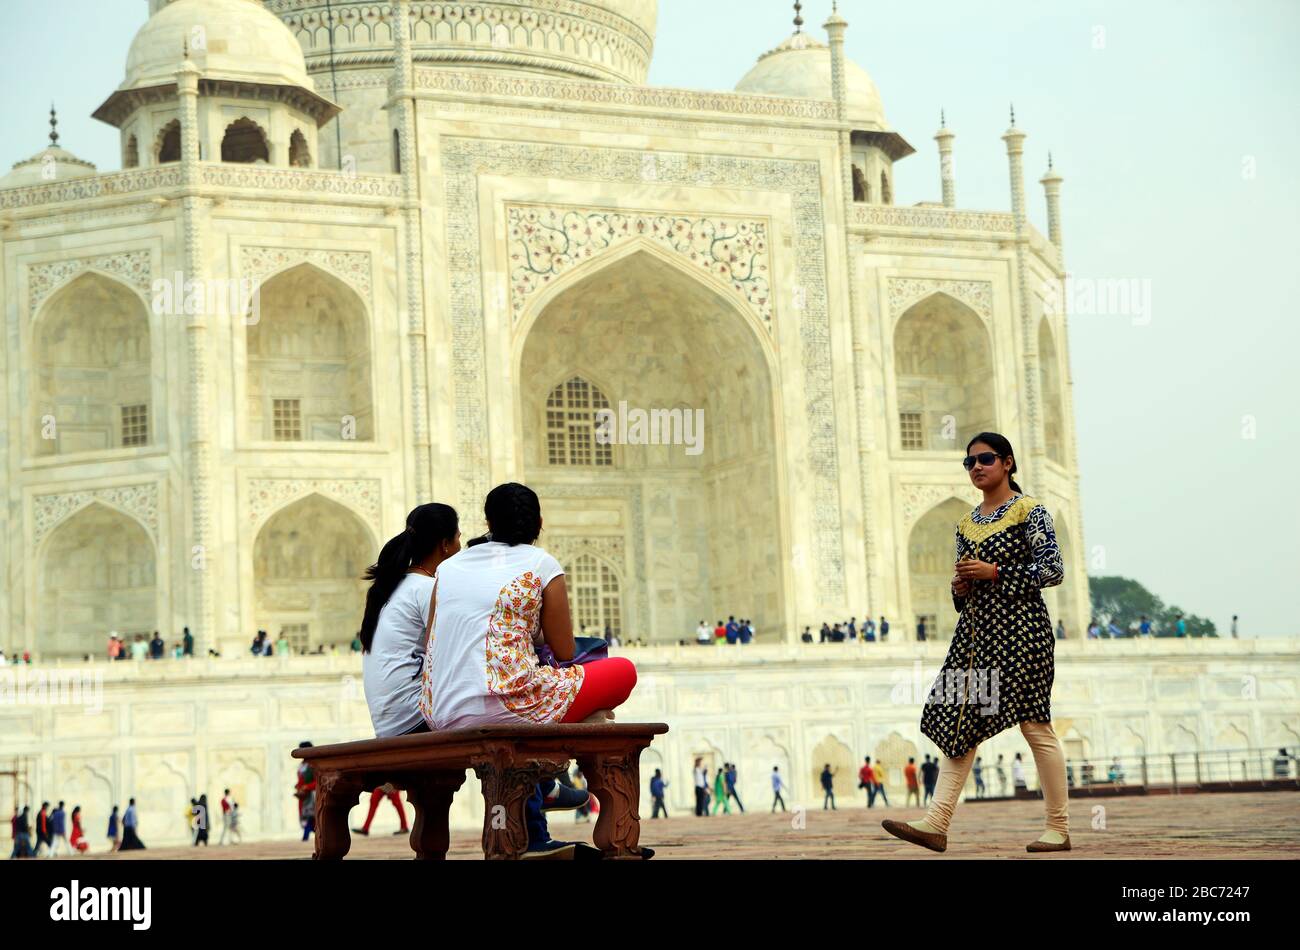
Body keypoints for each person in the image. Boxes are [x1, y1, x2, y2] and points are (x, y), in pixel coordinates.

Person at [419, 484, 636, 858]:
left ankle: (552, 779)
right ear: (538, 522)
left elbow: (435, 636)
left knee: (566, 689)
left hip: (441, 710)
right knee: (620, 671)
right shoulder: (541, 563)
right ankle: (580, 732)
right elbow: (566, 649)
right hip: (509, 704)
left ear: (488, 522)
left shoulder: (448, 567)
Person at [882, 432, 1070, 855]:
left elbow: (1053, 570)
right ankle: (936, 823)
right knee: (956, 719)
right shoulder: (966, 523)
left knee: (1035, 726)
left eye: (985, 459)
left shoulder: (1029, 512)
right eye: (969, 463)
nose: (977, 468)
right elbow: (962, 594)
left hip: (1022, 632)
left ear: (1007, 463)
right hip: (976, 636)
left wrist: (997, 572)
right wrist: (961, 587)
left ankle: (1058, 827)